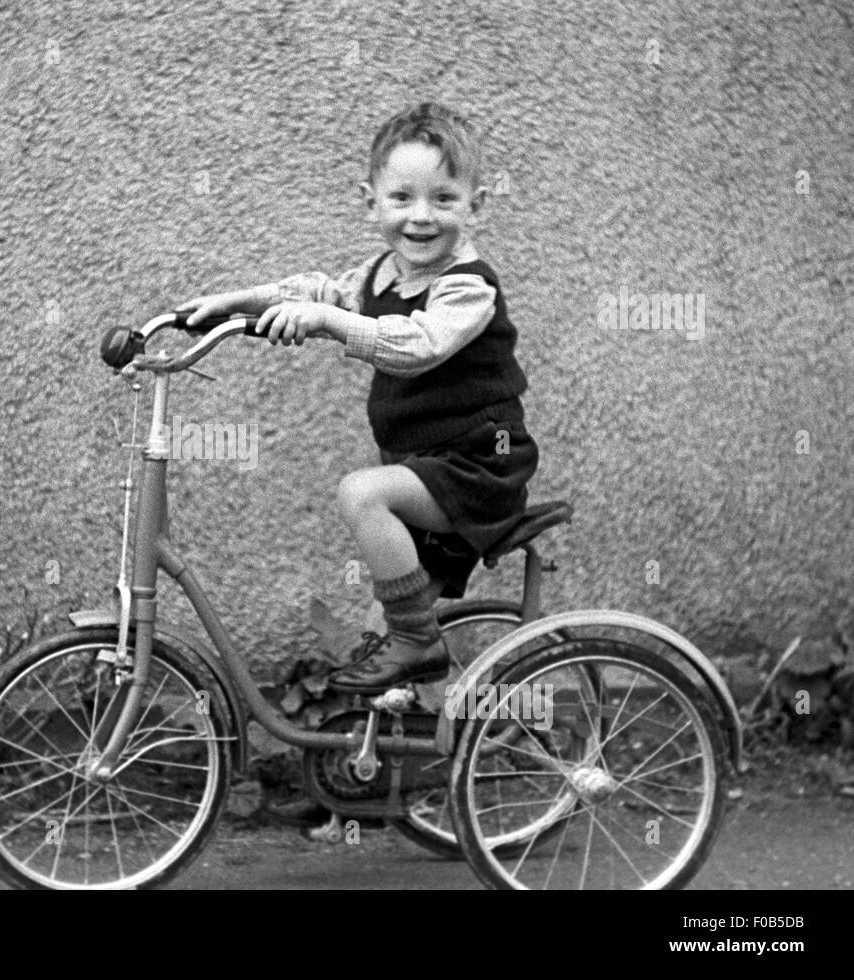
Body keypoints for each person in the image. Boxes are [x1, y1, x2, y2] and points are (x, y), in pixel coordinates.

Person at [175, 101, 538, 827]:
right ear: (368, 200)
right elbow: (320, 294)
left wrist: (329, 324)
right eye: (401, 198)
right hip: (426, 467)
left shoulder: (467, 286)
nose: (421, 216)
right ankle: (422, 752)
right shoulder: (381, 271)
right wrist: (228, 305)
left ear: (477, 205)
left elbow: (416, 343)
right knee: (391, 633)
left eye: (444, 198)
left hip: (477, 468)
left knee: (360, 495)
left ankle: (418, 642)